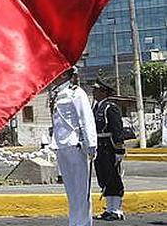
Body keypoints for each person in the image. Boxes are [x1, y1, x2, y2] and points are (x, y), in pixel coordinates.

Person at [52, 66, 98, 226]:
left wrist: (91, 144)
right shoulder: (57, 94)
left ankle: (84, 223)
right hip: (61, 146)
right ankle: (74, 221)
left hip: (75, 145)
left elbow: (86, 119)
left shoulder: (76, 93)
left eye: (57, 72)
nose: (54, 75)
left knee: (81, 189)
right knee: (71, 190)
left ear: (65, 73)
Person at [92, 77, 126, 221]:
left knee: (113, 177)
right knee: (104, 177)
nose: (93, 92)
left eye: (96, 89)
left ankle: (117, 210)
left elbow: (117, 129)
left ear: (103, 91)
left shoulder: (110, 107)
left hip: (109, 146)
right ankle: (109, 209)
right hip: (99, 146)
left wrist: (119, 150)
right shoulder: (96, 107)